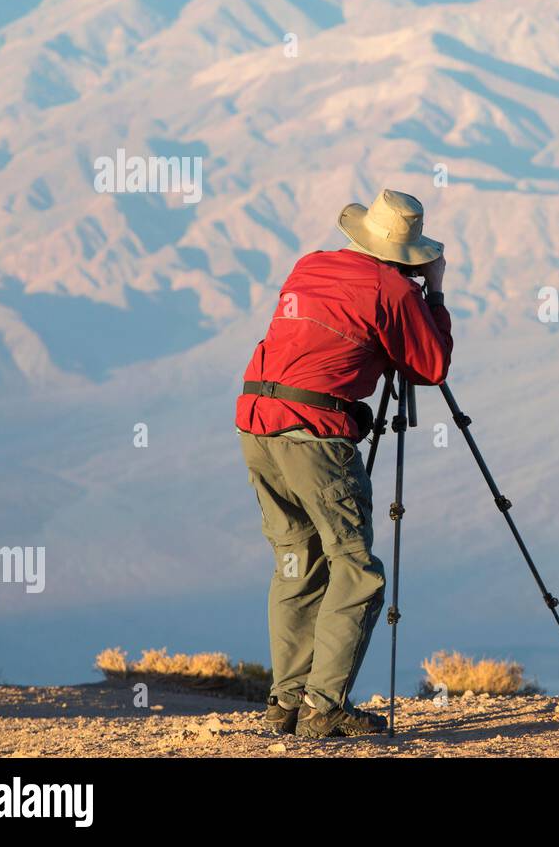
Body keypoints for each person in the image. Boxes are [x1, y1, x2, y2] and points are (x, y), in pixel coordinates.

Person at [235, 189, 452, 738]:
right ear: (410, 254)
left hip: (257, 421)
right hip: (315, 434)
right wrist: (435, 295)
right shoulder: (395, 289)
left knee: (295, 561)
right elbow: (430, 366)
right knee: (355, 568)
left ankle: (284, 703)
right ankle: (324, 706)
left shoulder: (310, 265)